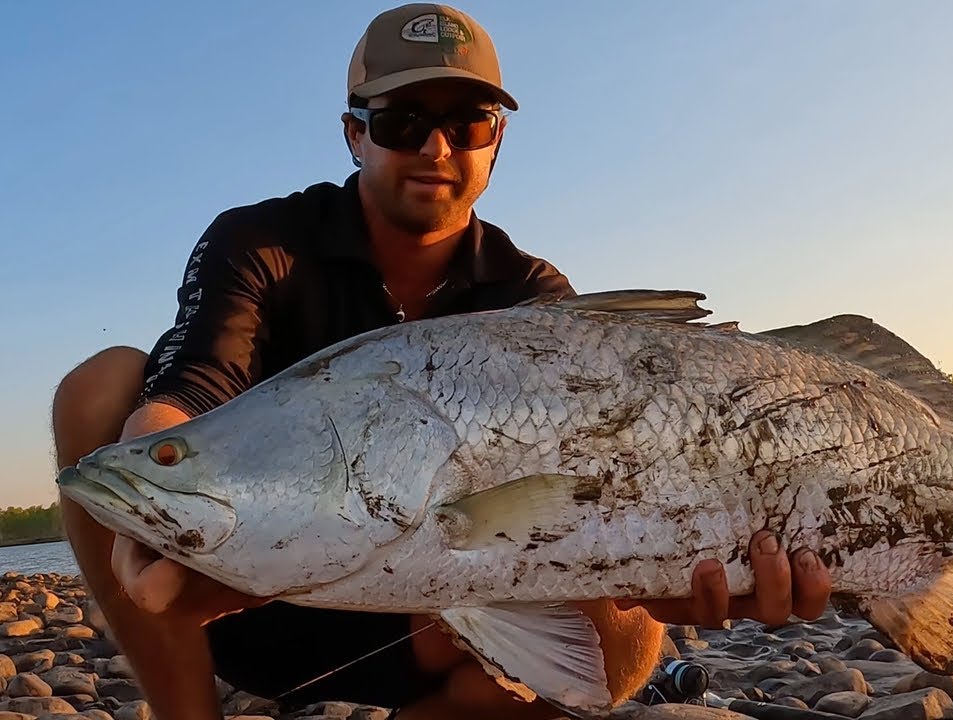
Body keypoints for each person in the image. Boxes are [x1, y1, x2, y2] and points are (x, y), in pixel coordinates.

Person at [50, 4, 833, 719]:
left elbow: (611, 498)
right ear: (354, 133)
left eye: (469, 121)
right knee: (100, 394)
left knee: (625, 639)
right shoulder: (261, 242)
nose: (436, 146)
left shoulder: (535, 297)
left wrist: (693, 578)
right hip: (239, 599)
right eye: (403, 120)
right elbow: (191, 383)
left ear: (497, 140)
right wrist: (159, 479)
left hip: (436, 621)